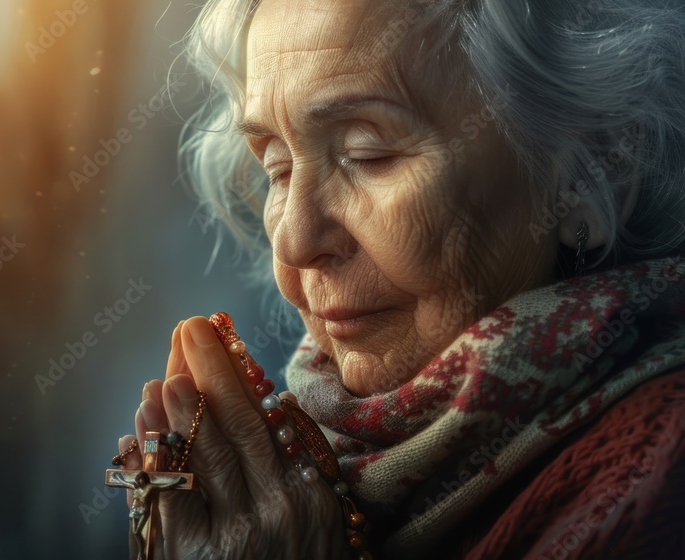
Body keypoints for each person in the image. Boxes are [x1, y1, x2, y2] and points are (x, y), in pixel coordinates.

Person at [114, 0, 685, 557]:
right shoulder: (286, 467)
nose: (293, 242)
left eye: (368, 153)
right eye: (278, 168)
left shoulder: (656, 476)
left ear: (595, 168)